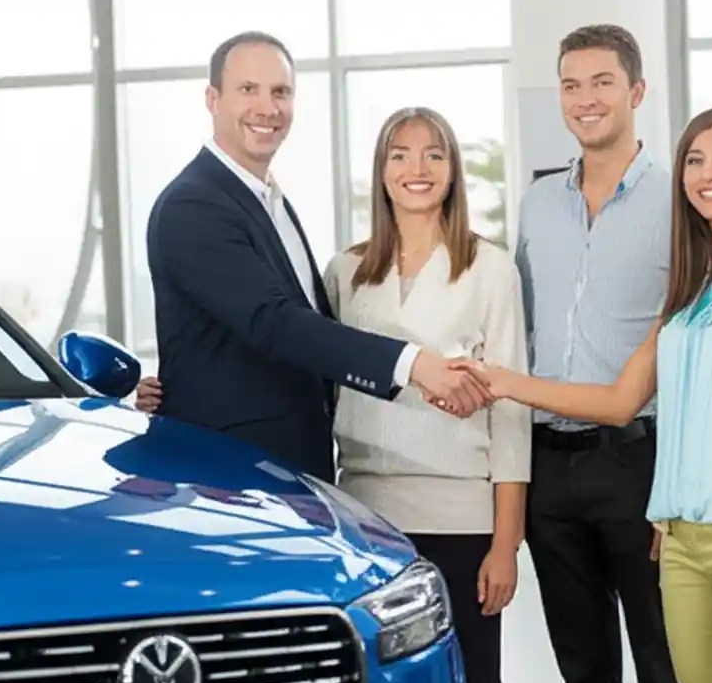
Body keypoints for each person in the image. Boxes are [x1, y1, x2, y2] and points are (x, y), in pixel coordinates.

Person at [468, 106, 712, 683]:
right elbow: (615, 402)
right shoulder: (688, 289)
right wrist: (504, 381)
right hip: (679, 541)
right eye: (694, 159)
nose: (707, 173)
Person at [136, 31, 490, 482]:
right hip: (233, 473)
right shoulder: (195, 205)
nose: (268, 108)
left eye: (281, 92)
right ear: (212, 99)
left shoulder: (270, 201)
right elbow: (272, 322)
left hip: (294, 466)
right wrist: (414, 364)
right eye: (249, 90)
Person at [322, 106, 530, 683]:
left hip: (461, 519)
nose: (418, 168)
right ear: (381, 172)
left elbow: (512, 415)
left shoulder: (490, 269)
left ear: (452, 170)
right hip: (365, 519)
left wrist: (506, 543)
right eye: (401, 155)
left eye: (434, 154)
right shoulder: (345, 273)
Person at [511, 23, 684, 683]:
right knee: (584, 680)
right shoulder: (535, 204)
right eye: (571, 84)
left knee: (666, 673)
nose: (585, 99)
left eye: (602, 82)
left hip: (637, 461)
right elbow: (516, 325)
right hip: (549, 468)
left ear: (637, 91)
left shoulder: (679, 201)